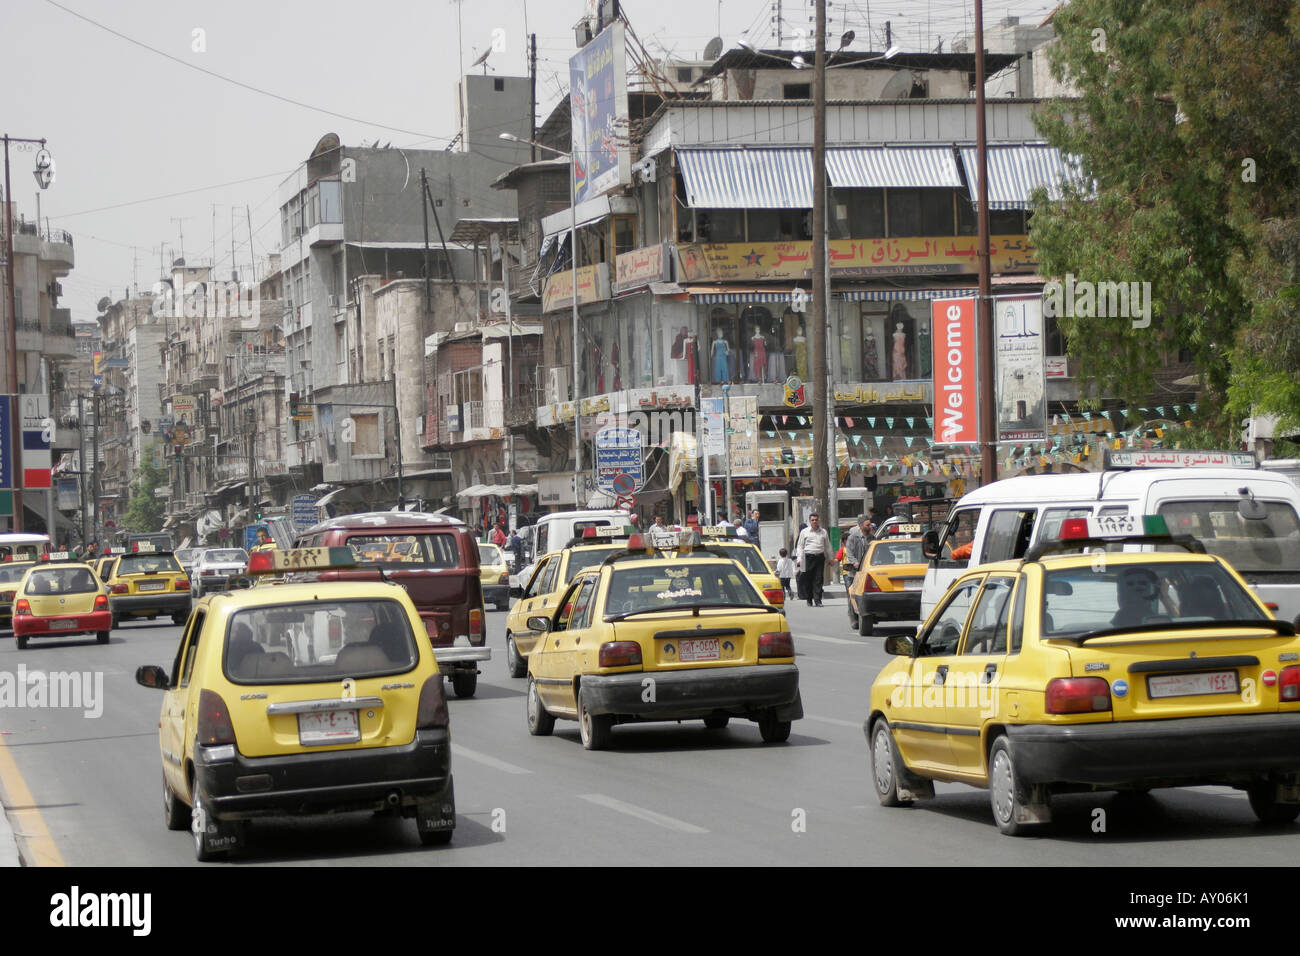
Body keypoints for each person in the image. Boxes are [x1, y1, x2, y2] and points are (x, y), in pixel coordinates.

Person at [796, 513, 832, 607]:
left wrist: (830, 558)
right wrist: (799, 558)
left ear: (818, 520)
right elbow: (800, 546)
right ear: (810, 521)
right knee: (807, 579)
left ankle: (818, 600)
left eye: (816, 519)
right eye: (812, 520)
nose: (815, 521)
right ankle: (809, 599)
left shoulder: (823, 532)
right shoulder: (804, 532)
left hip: (819, 557)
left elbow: (828, 546)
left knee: (818, 579)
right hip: (807, 557)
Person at [844, 516, 870, 582]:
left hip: (868, 571)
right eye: (867, 525)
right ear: (861, 526)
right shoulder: (852, 538)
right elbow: (849, 552)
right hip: (855, 573)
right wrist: (855, 562)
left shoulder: (872, 538)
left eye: (870, 525)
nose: (869, 527)